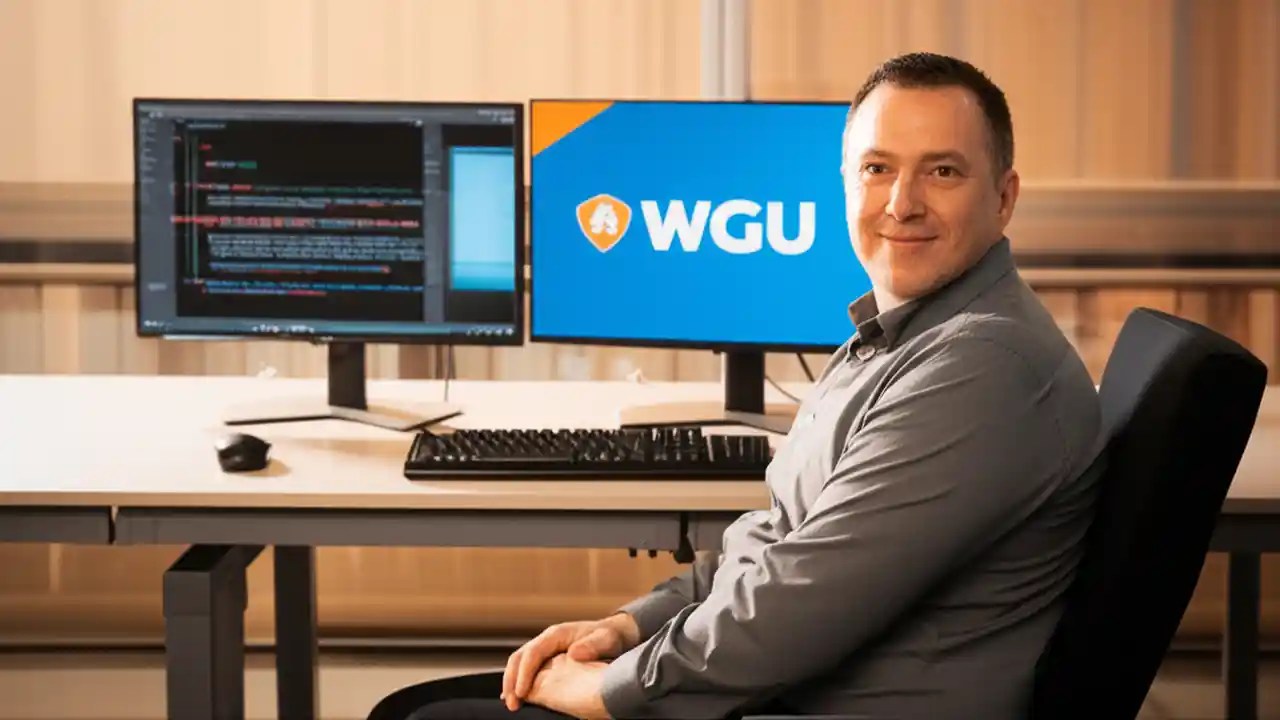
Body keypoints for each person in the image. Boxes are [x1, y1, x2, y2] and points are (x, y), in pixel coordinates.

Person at [369, 51, 1105, 720]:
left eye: (942, 171)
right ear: (845, 184)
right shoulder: (902, 335)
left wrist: (608, 690)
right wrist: (630, 625)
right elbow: (781, 541)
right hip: (785, 685)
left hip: (819, 702)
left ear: (1005, 197)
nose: (901, 202)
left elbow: (797, 606)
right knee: (436, 703)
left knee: (419, 715)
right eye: (878, 168)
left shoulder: (982, 366)